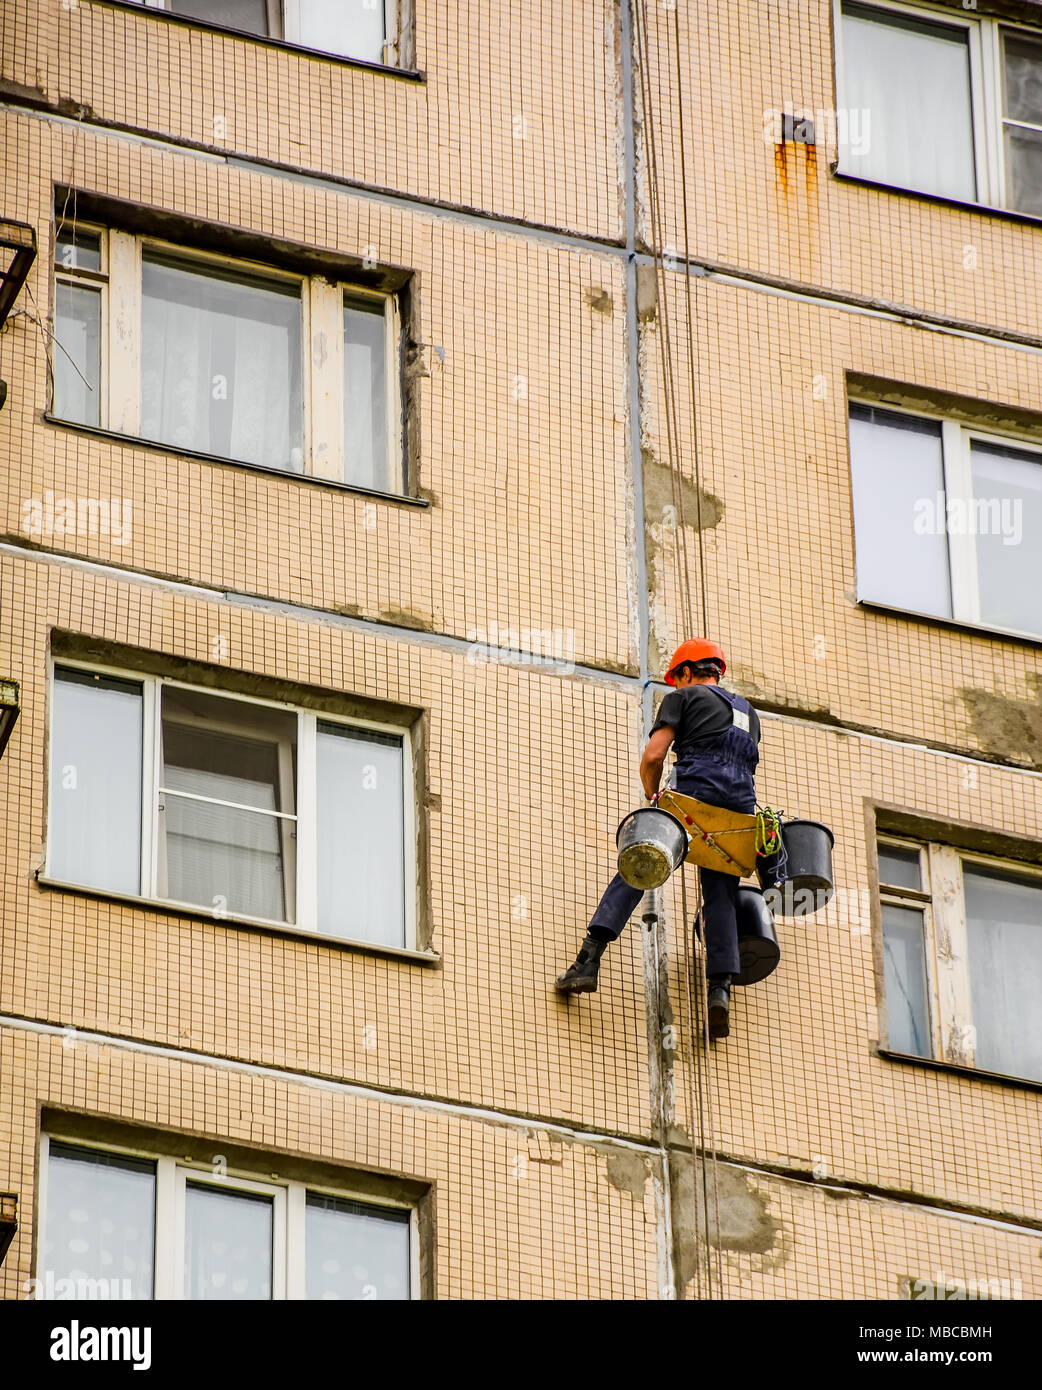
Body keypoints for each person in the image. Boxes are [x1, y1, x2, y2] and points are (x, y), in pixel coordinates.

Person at [554, 639, 761, 1040]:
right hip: (738, 812)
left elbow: (653, 756)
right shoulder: (749, 713)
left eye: (676, 679)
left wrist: (652, 798)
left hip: (693, 794)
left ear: (685, 672)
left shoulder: (682, 698)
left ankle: (588, 961)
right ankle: (719, 992)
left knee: (641, 862)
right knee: (720, 895)